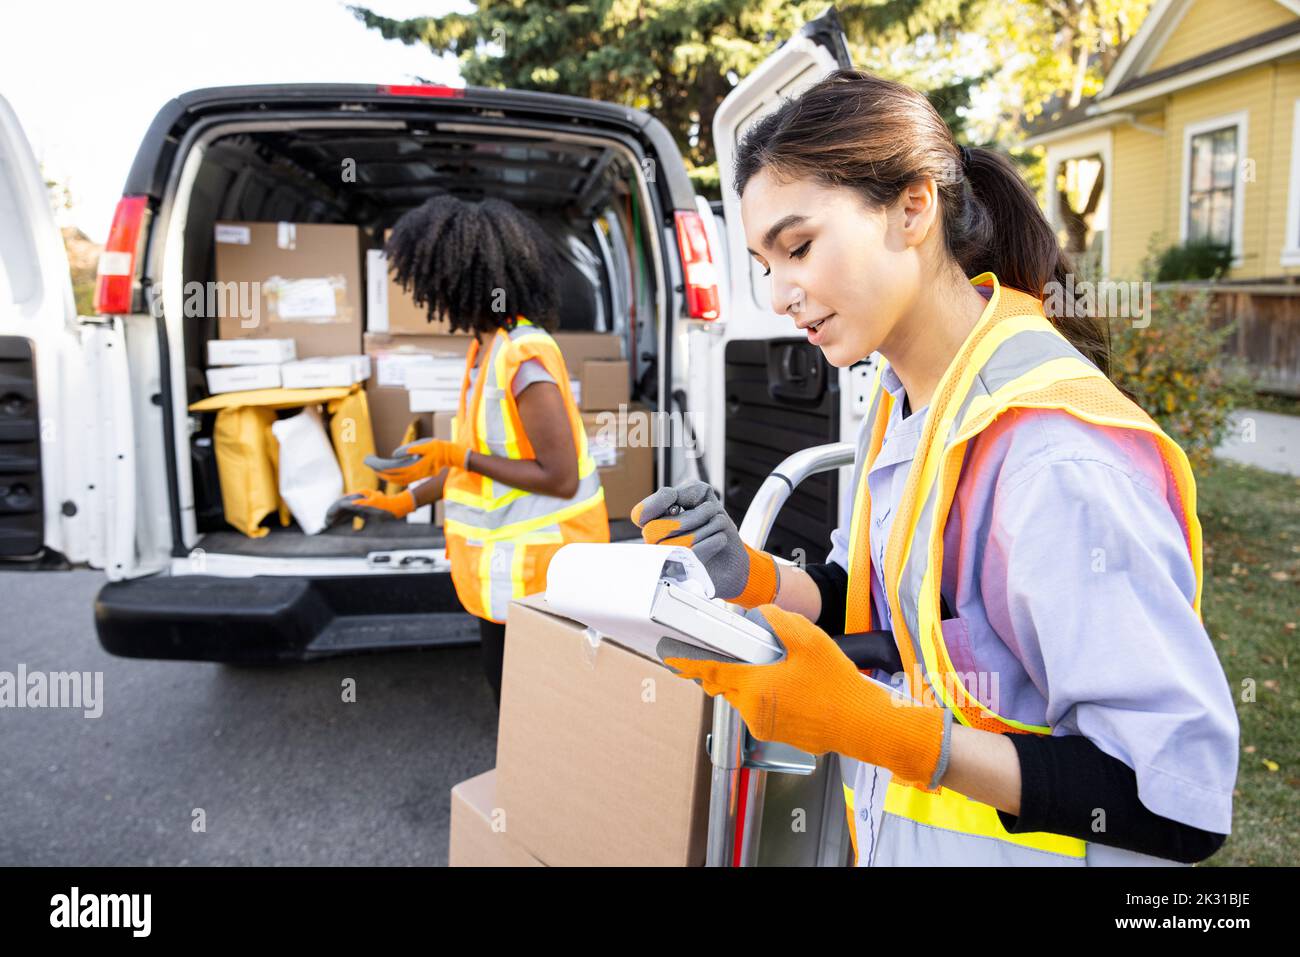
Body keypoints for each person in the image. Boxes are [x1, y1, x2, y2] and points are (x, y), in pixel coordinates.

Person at [631, 70, 1238, 866]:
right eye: (764, 263)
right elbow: (888, 606)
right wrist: (753, 576)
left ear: (914, 207)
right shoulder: (904, 400)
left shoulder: (1048, 458)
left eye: (800, 246)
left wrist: (881, 729)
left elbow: (1179, 804)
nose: (780, 293)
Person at [328, 195, 609, 707]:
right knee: (508, 694)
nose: (424, 294)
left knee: (532, 704)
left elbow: (559, 476)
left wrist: (454, 457)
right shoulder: (485, 350)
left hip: (544, 575)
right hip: (509, 578)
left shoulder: (524, 355)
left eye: (430, 280)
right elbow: (484, 459)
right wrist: (406, 499)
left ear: (459, 279)